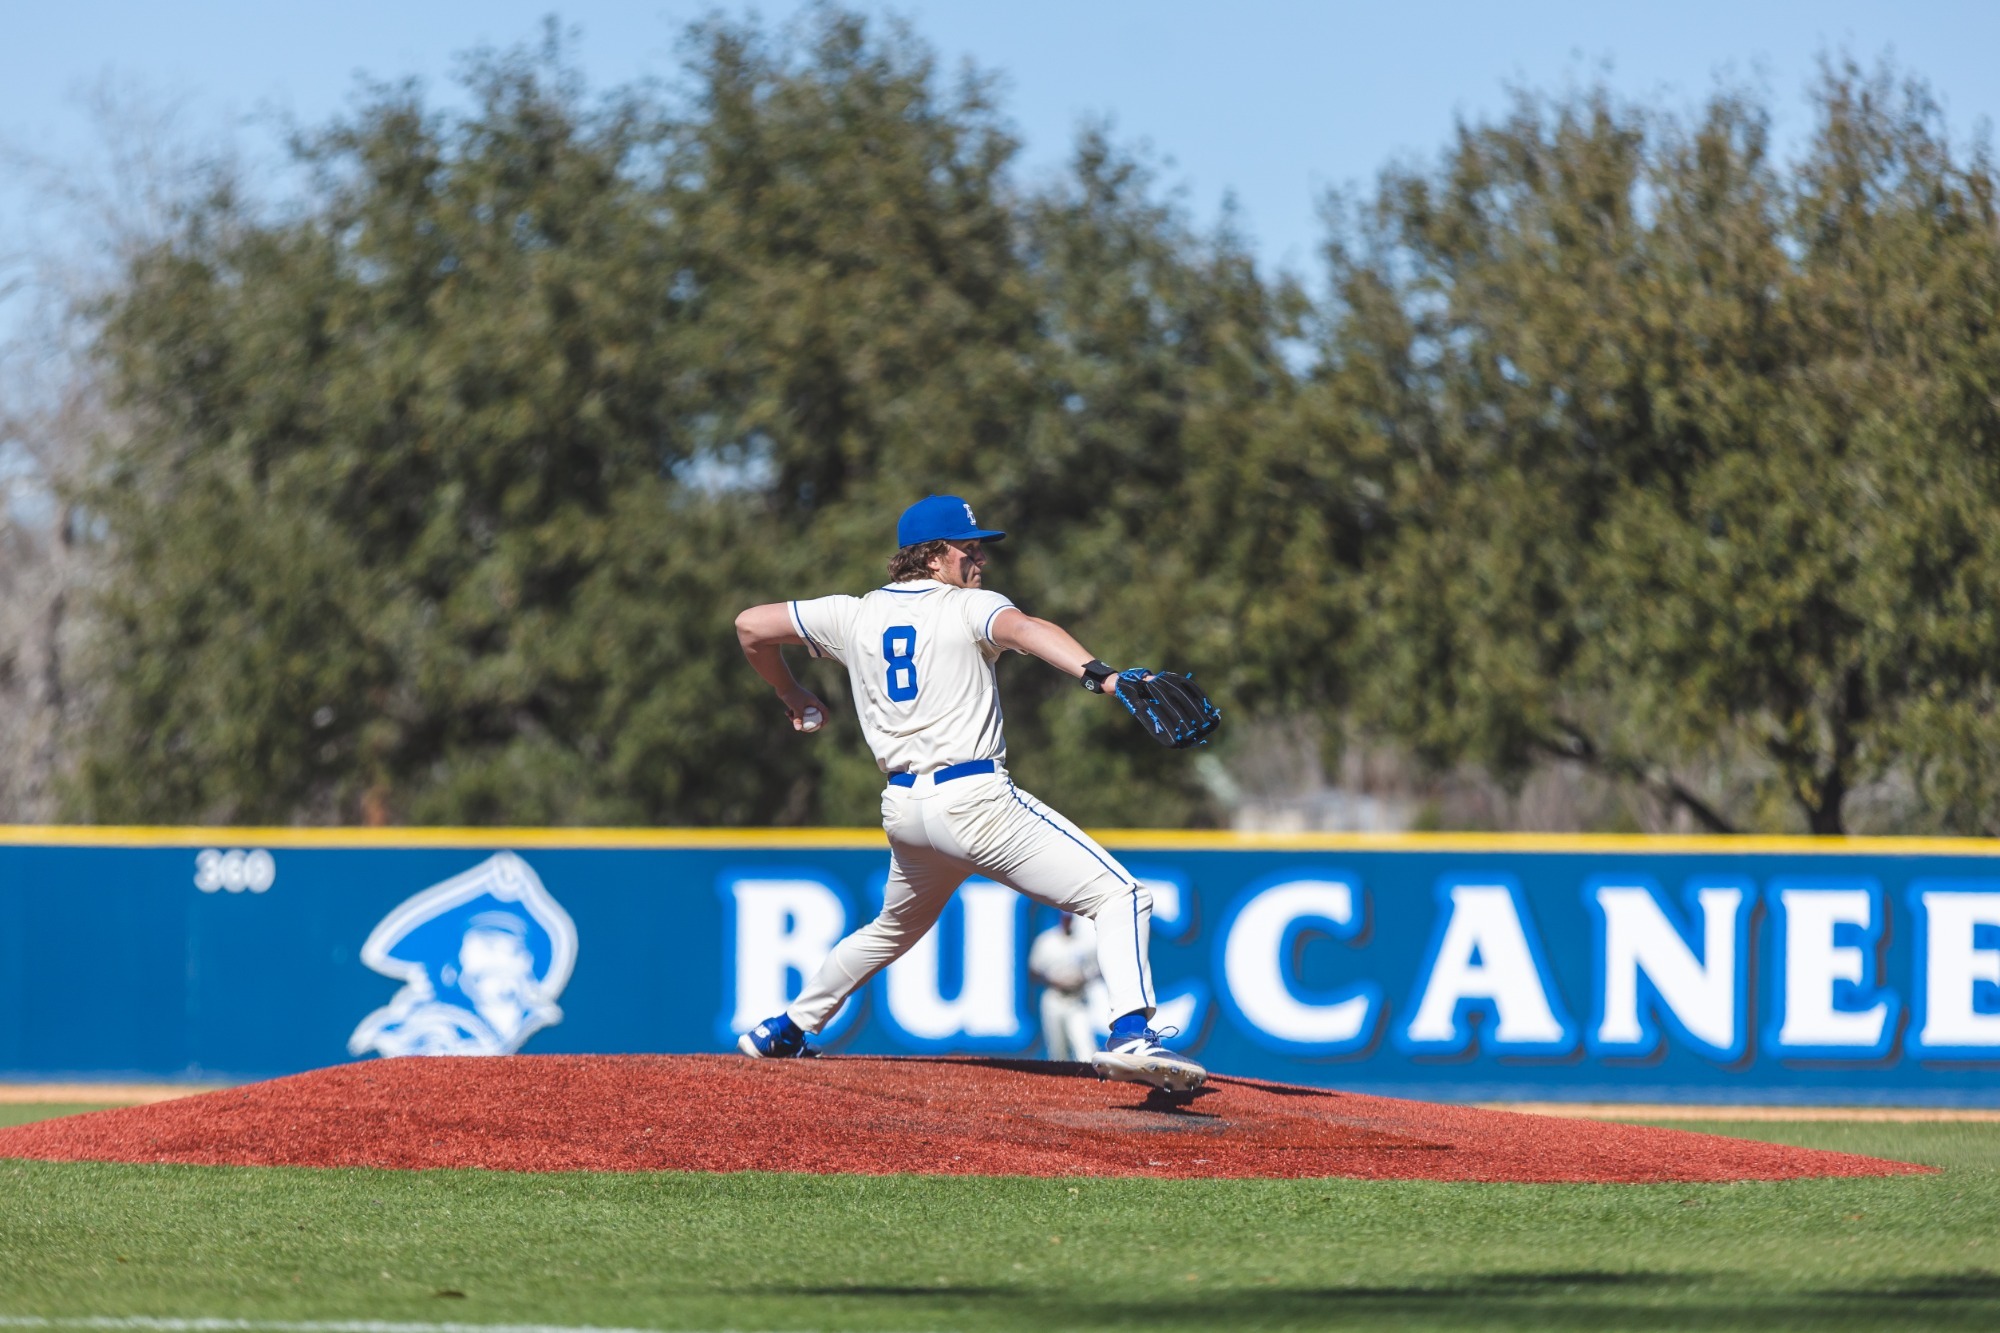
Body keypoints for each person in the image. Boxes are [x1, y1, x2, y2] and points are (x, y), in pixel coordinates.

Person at [731, 493, 1206, 1093]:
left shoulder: (850, 615)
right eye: (968, 550)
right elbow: (1025, 629)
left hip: (906, 810)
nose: (979, 560)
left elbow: (751, 626)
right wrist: (1103, 675)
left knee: (889, 930)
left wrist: (791, 693)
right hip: (975, 800)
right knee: (1121, 897)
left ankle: (785, 1029)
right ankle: (1131, 1034)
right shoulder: (967, 606)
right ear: (932, 557)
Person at [1028, 912, 1105, 1062]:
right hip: (1054, 998)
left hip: (1077, 1000)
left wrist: (1082, 978)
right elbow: (1033, 971)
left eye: (1070, 918)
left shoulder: (1084, 942)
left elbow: (1097, 970)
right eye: (1065, 918)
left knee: (1085, 1047)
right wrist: (1053, 980)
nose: (1067, 922)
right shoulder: (1047, 941)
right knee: (1058, 1051)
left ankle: (1089, 1077)